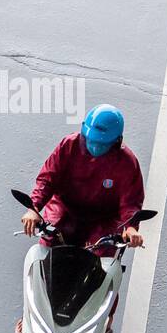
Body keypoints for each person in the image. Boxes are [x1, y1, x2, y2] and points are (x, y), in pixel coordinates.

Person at [20, 105, 146, 254]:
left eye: (101, 144)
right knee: (45, 250)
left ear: (116, 142)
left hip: (103, 219)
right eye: (90, 140)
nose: (94, 146)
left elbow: (131, 202)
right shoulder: (68, 146)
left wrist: (131, 227)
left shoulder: (127, 163)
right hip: (64, 209)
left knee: (103, 260)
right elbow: (47, 180)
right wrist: (33, 209)